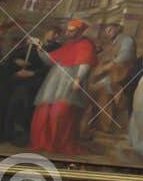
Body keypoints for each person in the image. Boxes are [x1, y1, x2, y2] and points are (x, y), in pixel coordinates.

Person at [30, 20, 97, 154]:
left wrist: (78, 78)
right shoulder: (68, 45)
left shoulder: (86, 44)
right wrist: (40, 48)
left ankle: (59, 144)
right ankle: (45, 143)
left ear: (79, 31)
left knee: (60, 112)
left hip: (70, 81)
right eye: (68, 30)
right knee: (45, 110)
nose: (68, 33)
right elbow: (50, 60)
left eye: (71, 30)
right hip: (54, 81)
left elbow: (86, 62)